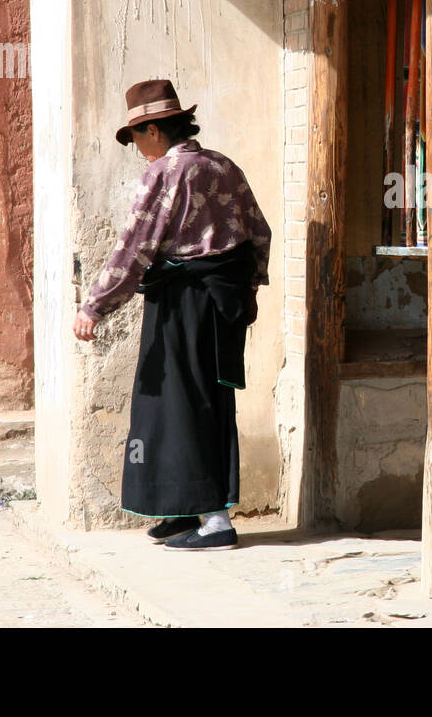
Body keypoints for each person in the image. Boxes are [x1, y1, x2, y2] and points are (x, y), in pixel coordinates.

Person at [72, 78, 271, 551]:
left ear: (156, 131)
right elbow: (259, 231)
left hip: (186, 304)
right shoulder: (223, 166)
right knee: (193, 401)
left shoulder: (165, 173)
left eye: (137, 136)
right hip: (222, 304)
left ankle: (216, 521)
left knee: (184, 404)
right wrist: (248, 292)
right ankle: (183, 510)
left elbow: (135, 246)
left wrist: (96, 305)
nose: (138, 147)